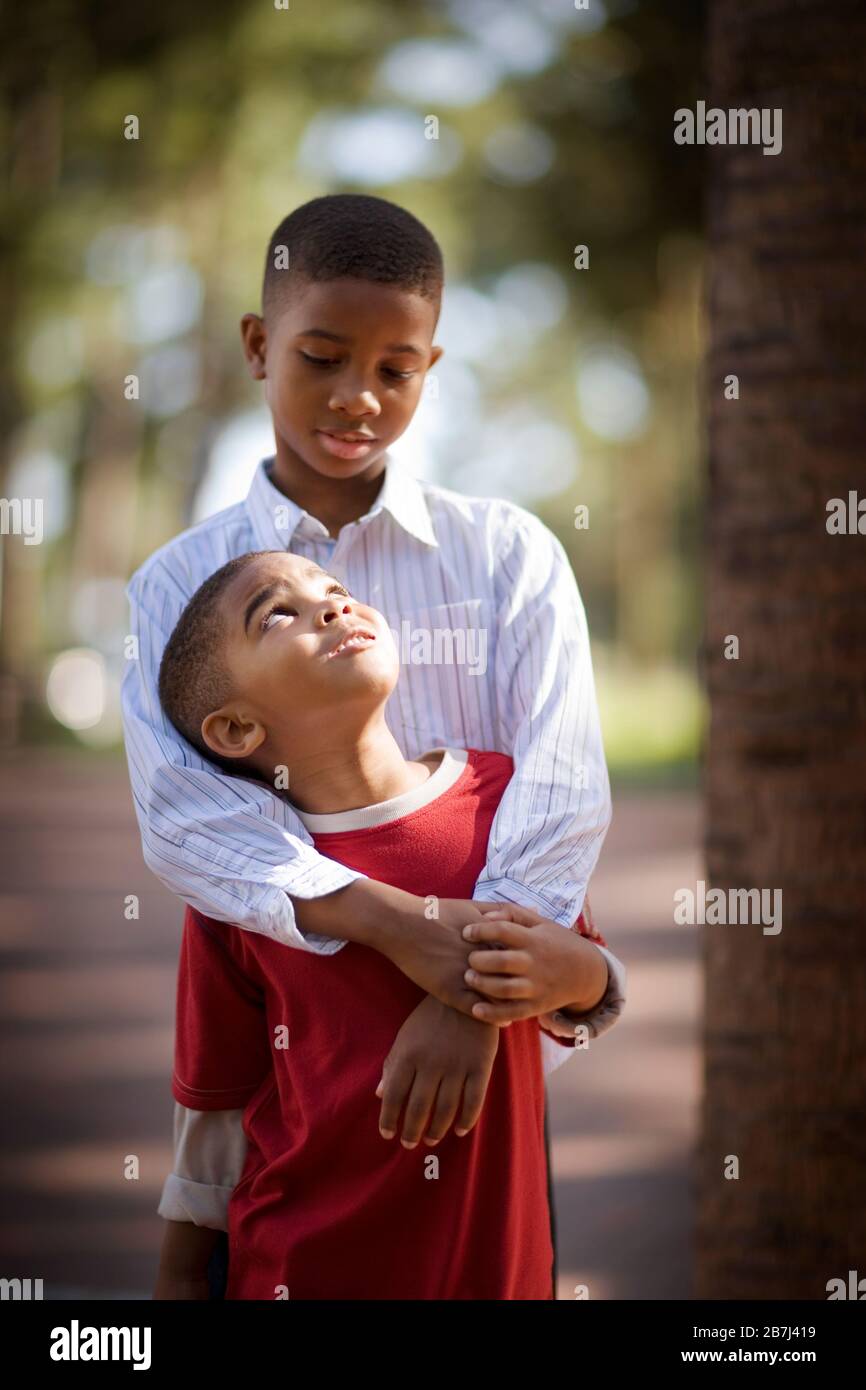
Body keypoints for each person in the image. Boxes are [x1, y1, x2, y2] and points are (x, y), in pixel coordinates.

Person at [120, 192, 618, 1291]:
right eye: (321, 355)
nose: (357, 395)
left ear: (430, 367)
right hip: (299, 1134)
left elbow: (560, 791)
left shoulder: (507, 557)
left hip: (490, 1117)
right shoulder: (175, 586)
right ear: (259, 346)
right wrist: (406, 932)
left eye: (396, 369)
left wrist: (465, 1000)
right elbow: (186, 818)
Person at [152, 551, 626, 1299]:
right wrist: (176, 1285)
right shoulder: (241, 882)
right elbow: (213, 1118)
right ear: (238, 726)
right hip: (297, 1272)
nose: (332, 606)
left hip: (497, 1276)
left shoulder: (508, 805)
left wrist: (535, 981)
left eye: (335, 590)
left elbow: (587, 993)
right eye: (278, 613)